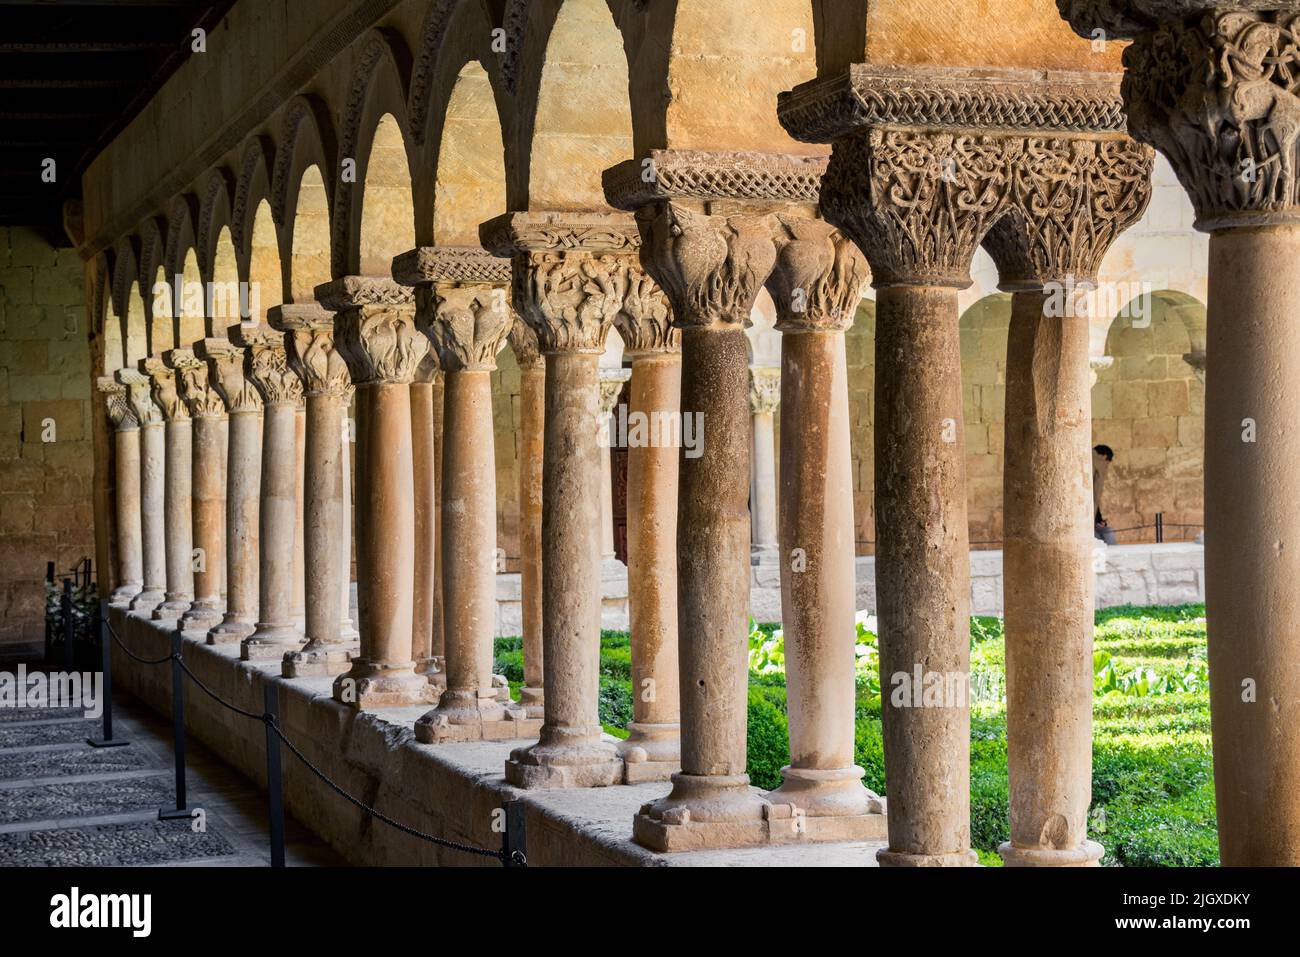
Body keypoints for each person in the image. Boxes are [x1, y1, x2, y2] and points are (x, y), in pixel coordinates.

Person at [1093, 444, 1116, 545]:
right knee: (1097, 537)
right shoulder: (1095, 463)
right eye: (1106, 463)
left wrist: (1100, 522)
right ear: (1103, 457)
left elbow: (1094, 502)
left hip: (1094, 525)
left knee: (1108, 532)